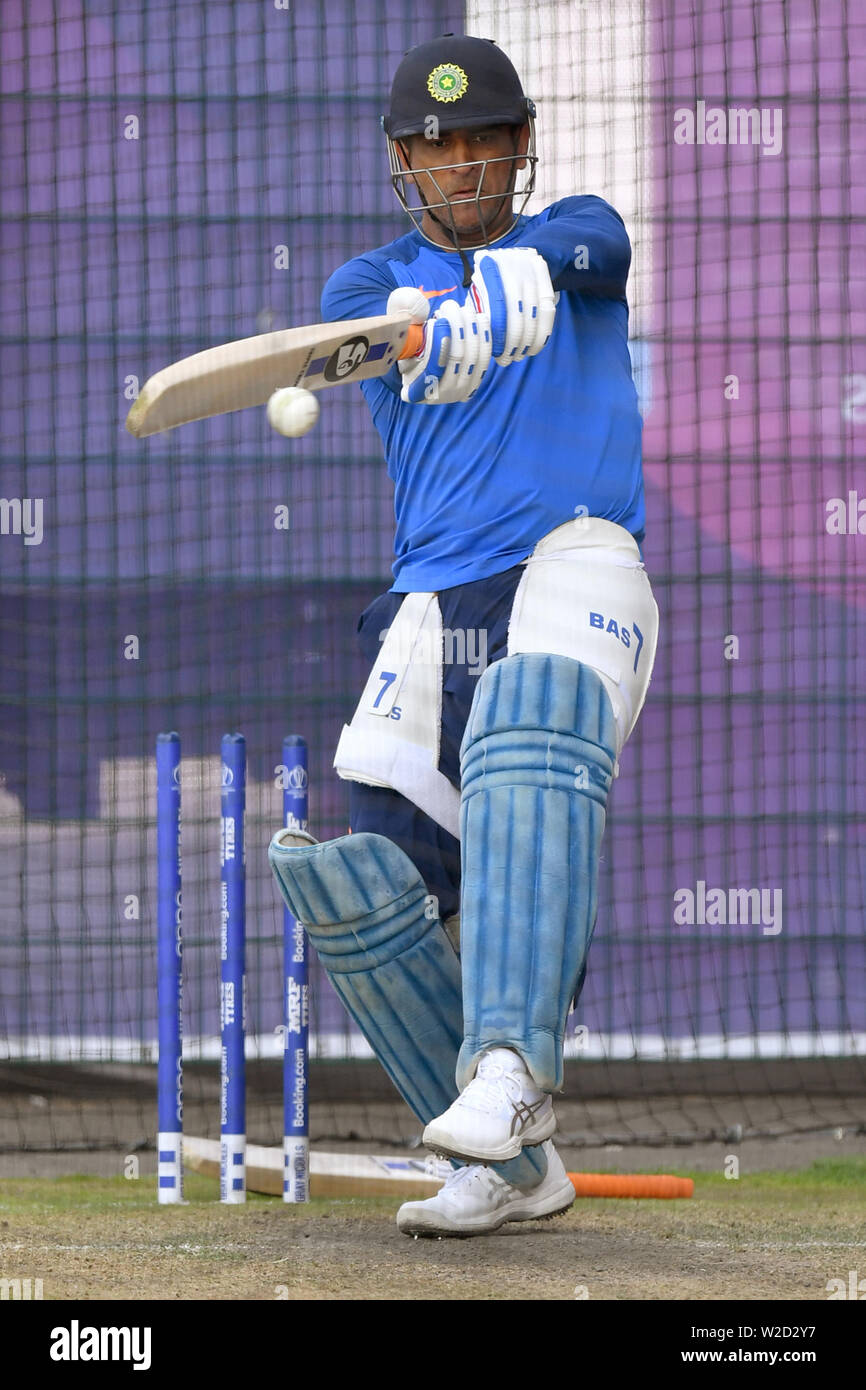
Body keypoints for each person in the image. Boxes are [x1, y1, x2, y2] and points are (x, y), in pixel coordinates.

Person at [269, 33, 658, 1238]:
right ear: (403, 160)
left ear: (522, 148)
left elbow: (593, 249)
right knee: (359, 886)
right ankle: (508, 1166)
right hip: (433, 602)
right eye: (437, 146)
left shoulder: (580, 230)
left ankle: (509, 1076)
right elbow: (419, 366)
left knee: (526, 725)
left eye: (487, 138)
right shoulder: (362, 291)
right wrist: (440, 324)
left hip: (575, 558)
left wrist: (516, 281)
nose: (465, 162)